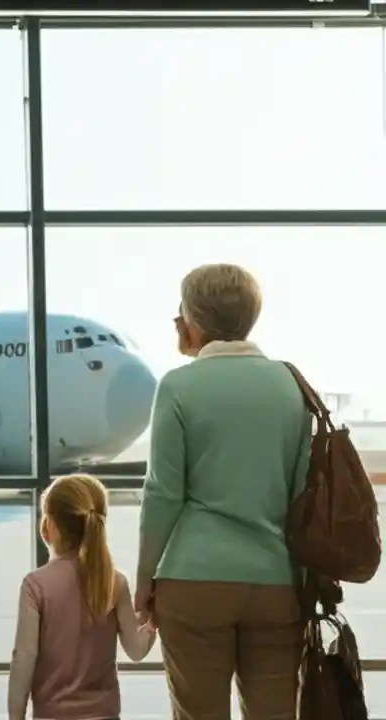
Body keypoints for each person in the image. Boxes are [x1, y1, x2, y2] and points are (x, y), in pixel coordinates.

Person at [136, 263, 311, 719]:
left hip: (193, 581)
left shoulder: (178, 386)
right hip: (275, 582)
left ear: (192, 318)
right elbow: (302, 495)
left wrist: (144, 580)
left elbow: (162, 494)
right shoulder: (291, 385)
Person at [8, 474, 155, 720]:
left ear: (48, 527)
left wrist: (16, 716)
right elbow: (136, 651)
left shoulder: (35, 585)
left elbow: (23, 658)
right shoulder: (114, 582)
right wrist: (151, 624)